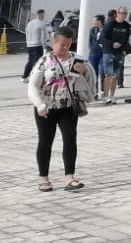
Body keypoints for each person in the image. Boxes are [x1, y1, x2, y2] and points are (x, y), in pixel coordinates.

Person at [26, 28, 95, 193]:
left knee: (70, 139)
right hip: (47, 109)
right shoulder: (44, 61)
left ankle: (70, 177)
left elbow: (91, 81)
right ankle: (44, 178)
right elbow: (32, 86)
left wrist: (85, 70)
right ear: (54, 42)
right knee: (45, 141)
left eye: (69, 44)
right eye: (62, 44)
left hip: (68, 107)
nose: (65, 48)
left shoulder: (78, 60)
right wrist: (39, 104)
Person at [98, 7, 131, 104]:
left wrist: (126, 50)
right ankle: (105, 95)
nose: (124, 15)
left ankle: (112, 95)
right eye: (122, 13)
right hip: (109, 51)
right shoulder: (110, 24)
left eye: (125, 13)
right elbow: (102, 38)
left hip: (120, 53)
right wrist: (112, 44)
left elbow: (126, 39)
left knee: (115, 76)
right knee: (108, 74)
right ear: (117, 13)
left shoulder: (126, 25)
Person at [21, 10, 47, 80]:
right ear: (41, 14)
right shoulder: (42, 24)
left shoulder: (30, 23)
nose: (44, 16)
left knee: (30, 61)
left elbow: (27, 33)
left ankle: (24, 76)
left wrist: (28, 43)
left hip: (30, 45)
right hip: (38, 45)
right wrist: (44, 47)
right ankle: (34, 77)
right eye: (43, 14)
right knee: (37, 62)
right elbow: (43, 37)